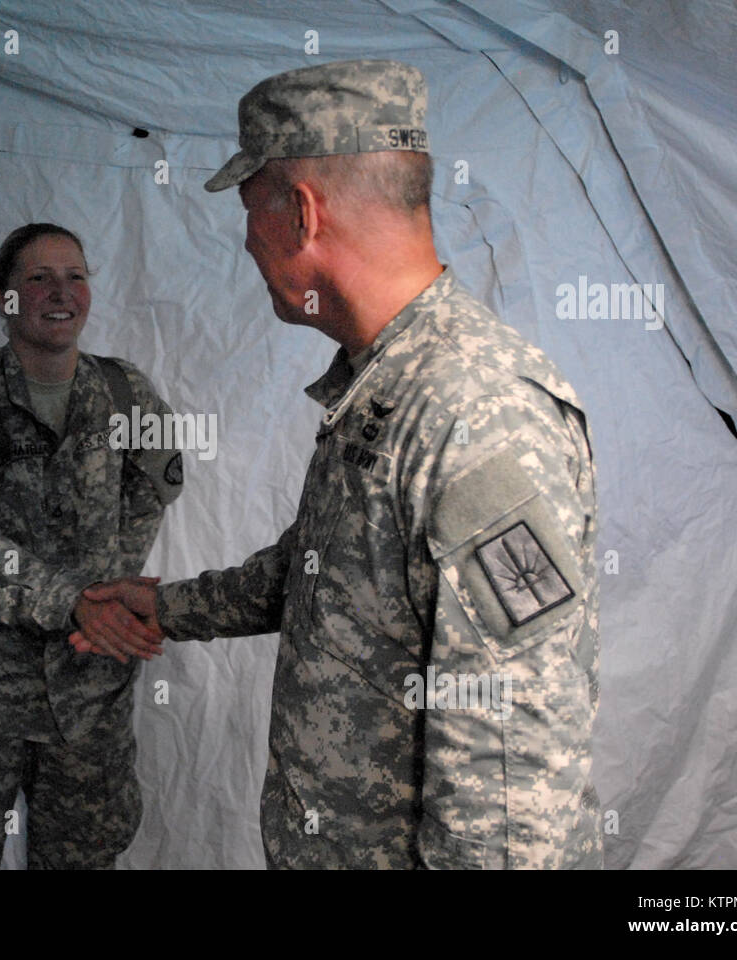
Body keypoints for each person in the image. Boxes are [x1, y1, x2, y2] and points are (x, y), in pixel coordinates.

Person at [74, 60, 602, 869]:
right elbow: (325, 572)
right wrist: (166, 605)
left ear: (302, 213)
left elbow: (510, 782)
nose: (248, 240)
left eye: (252, 209)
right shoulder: (386, 384)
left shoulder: (474, 414)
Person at [0, 223, 182, 869]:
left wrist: (107, 594)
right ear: (3, 298)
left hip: (86, 693)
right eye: (39, 278)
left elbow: (152, 493)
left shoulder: (124, 393)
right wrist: (74, 599)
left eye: (75, 276)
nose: (61, 292)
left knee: (83, 859)